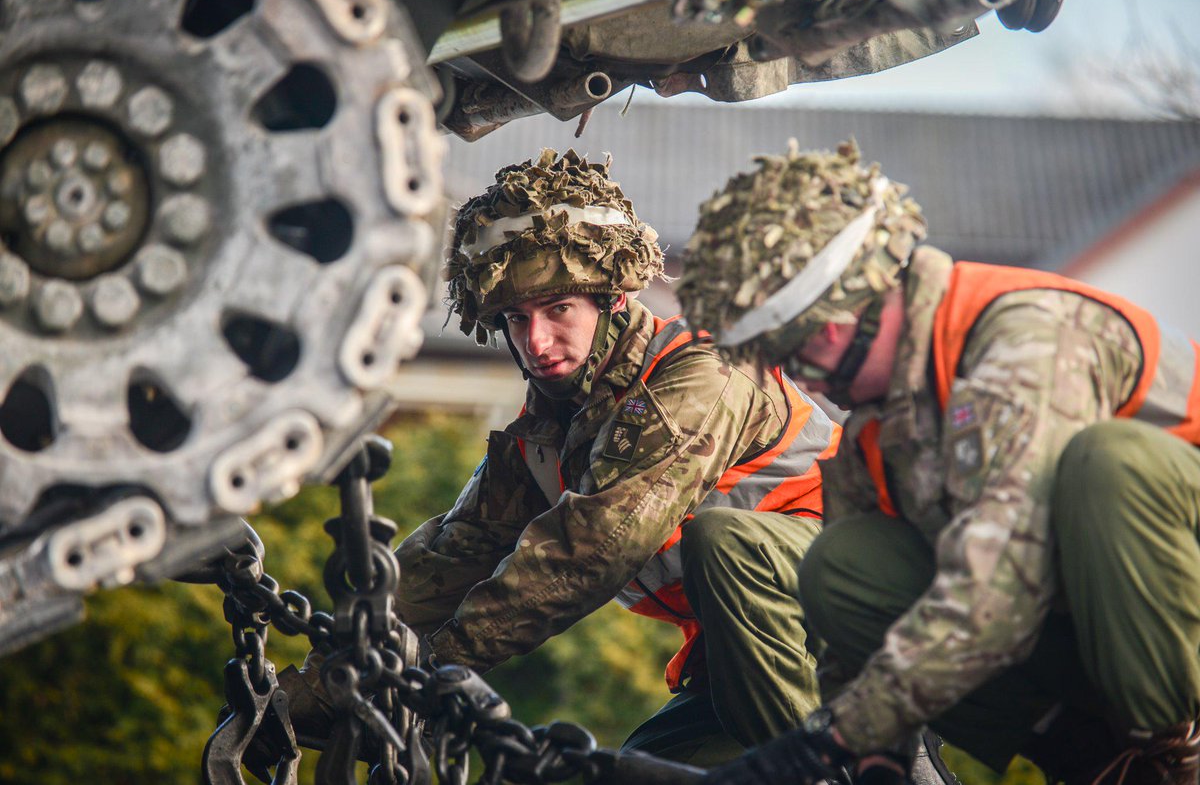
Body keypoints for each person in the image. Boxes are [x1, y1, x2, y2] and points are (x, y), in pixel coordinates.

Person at [675, 140, 1200, 784]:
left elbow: (998, 589)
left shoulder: (1022, 339)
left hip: (1174, 612)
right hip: (1085, 627)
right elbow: (847, 648)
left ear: (833, 327)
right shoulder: (881, 422)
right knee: (844, 564)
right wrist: (866, 755)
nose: (805, 384)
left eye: (796, 355)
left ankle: (1174, 755)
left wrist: (823, 743)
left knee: (1107, 464)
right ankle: (1096, 758)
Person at [387, 148, 840, 766]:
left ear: (615, 300)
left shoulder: (700, 375)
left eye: (559, 309)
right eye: (516, 319)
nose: (536, 342)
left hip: (863, 603)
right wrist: (347, 668)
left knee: (723, 540)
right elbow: (456, 554)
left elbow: (593, 546)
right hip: (754, 655)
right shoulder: (544, 434)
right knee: (639, 774)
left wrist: (436, 668)